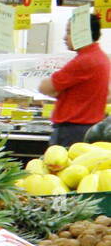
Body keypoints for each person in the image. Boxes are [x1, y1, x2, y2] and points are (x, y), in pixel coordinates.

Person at [41, 14, 108, 148]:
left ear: (83, 34)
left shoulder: (84, 61)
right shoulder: (101, 57)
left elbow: (45, 87)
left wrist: (58, 91)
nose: (65, 37)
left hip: (72, 131)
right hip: (88, 127)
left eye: (69, 32)